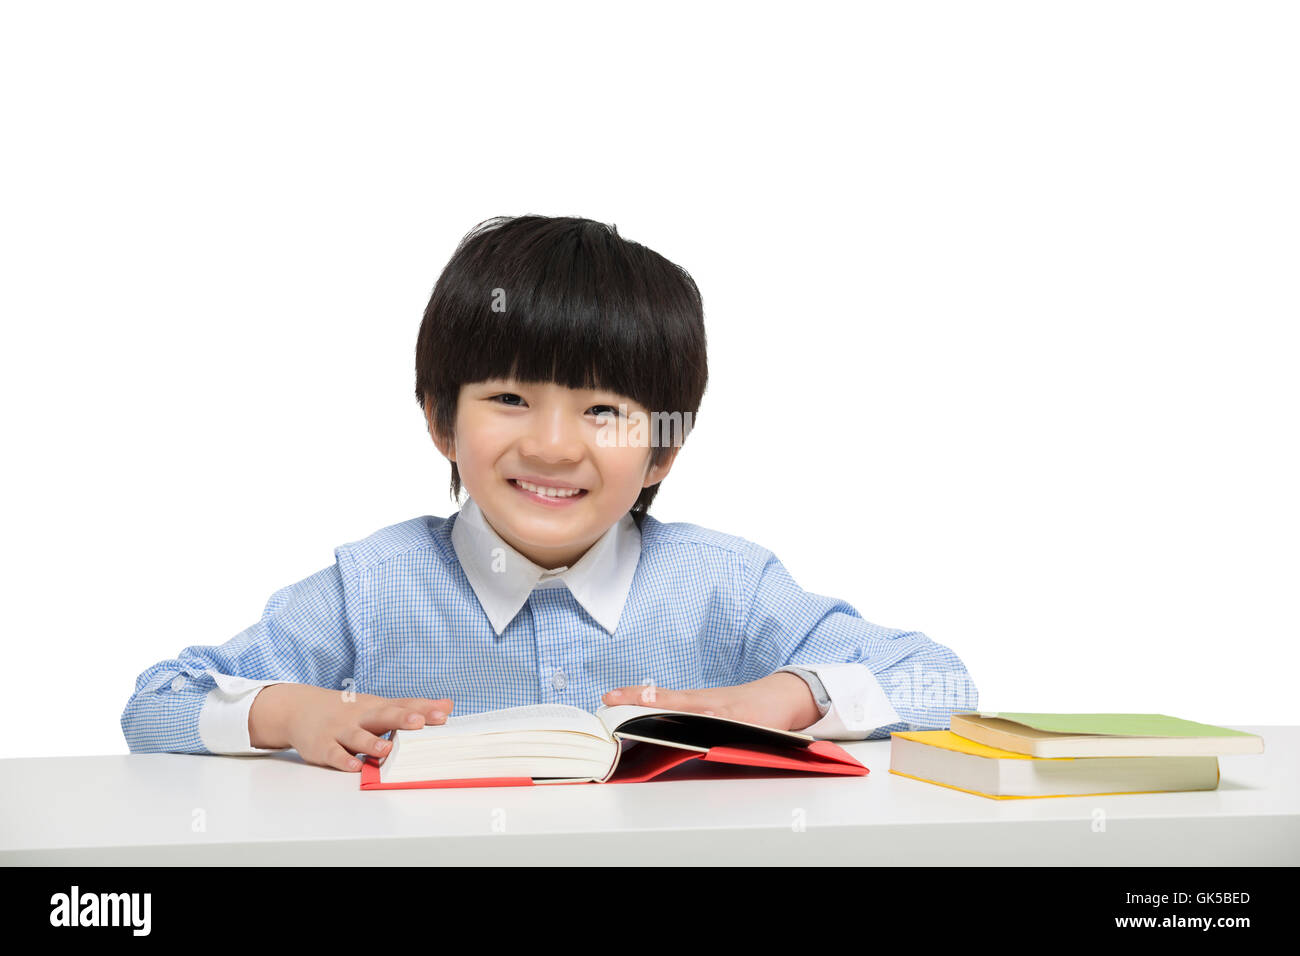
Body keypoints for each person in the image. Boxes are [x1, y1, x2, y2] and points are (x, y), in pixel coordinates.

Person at [121, 214, 978, 773]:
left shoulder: (730, 586)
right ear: (440, 422)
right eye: (509, 398)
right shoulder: (372, 587)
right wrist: (291, 713)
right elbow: (154, 704)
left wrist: (783, 697)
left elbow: (944, 686)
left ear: (662, 452)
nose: (554, 445)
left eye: (603, 410)